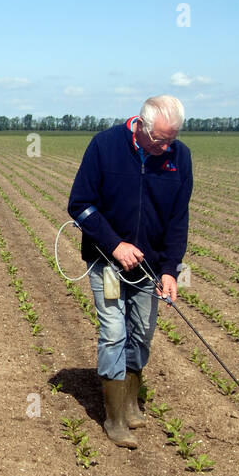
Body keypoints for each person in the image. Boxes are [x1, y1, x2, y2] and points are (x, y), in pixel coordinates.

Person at [66, 95, 193, 448]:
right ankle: (115, 417)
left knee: (142, 332)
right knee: (113, 331)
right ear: (142, 126)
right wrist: (115, 245)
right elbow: (80, 204)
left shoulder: (179, 158)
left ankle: (131, 399)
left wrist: (169, 270)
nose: (168, 146)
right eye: (161, 139)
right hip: (107, 262)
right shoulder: (105, 147)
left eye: (174, 138)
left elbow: (178, 220)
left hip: (149, 267)